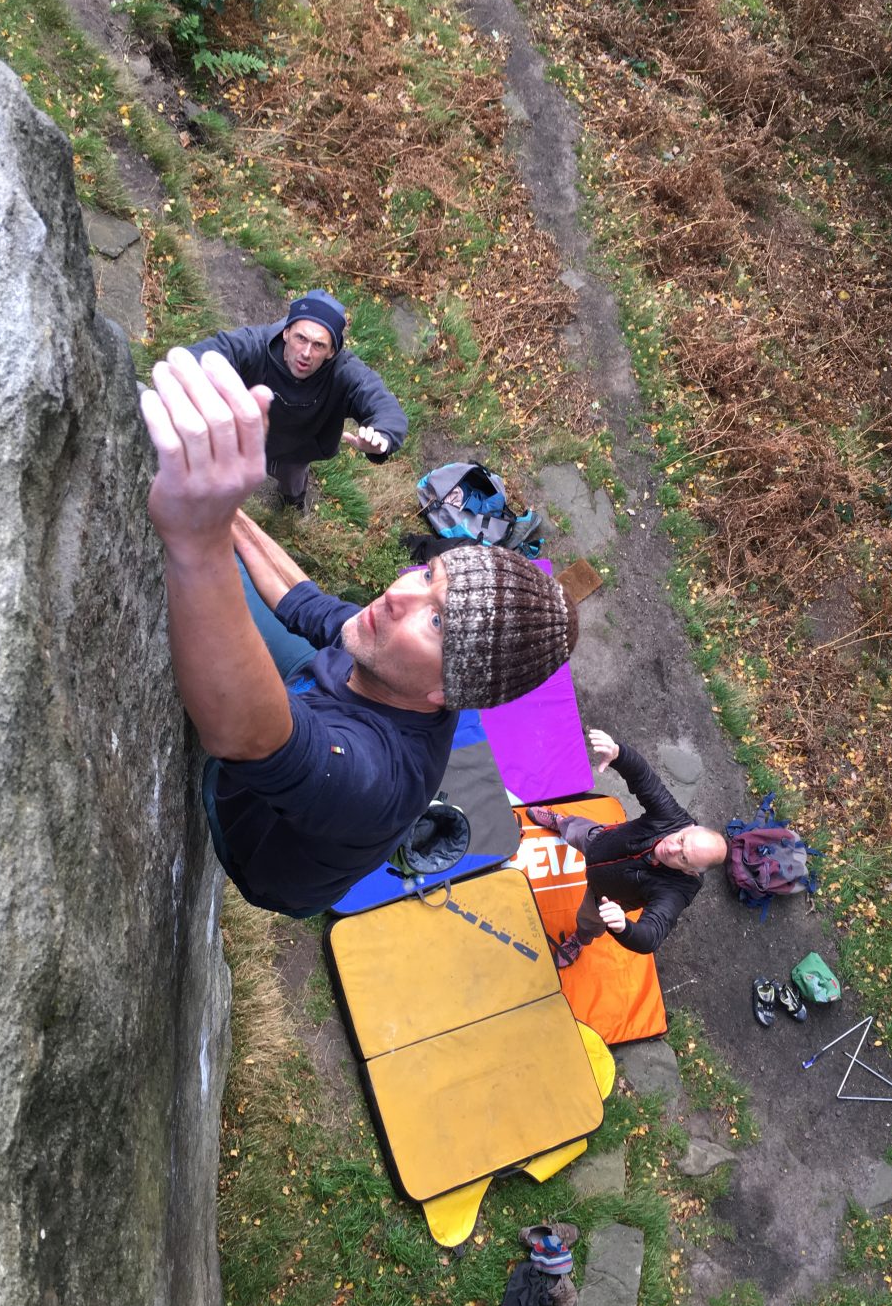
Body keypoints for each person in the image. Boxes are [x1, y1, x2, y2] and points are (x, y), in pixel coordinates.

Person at [140, 347, 577, 917]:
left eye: (437, 618)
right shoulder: (387, 655)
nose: (399, 594)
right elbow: (305, 602)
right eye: (427, 575)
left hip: (251, 846)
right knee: (263, 605)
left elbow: (249, 739)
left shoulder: (377, 777)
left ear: (447, 693)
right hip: (312, 689)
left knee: (222, 633)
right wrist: (224, 510)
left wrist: (196, 544)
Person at [188, 288, 406, 513]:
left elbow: (384, 406)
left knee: (292, 487)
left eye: (319, 345)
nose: (306, 353)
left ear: (332, 351)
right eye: (300, 338)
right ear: (285, 333)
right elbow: (209, 354)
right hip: (245, 435)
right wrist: (189, 377)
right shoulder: (256, 345)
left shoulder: (345, 371)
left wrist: (383, 436)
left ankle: (291, 506)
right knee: (222, 488)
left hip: (298, 450)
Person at [527, 729, 727, 967]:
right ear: (690, 827)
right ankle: (560, 822)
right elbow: (645, 779)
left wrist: (623, 928)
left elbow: (652, 935)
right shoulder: (674, 818)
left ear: (692, 871)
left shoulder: (679, 890)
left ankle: (580, 940)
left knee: (589, 921)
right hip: (600, 841)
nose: (671, 848)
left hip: (605, 896)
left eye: (683, 858)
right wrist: (618, 753)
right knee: (575, 829)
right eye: (682, 840)